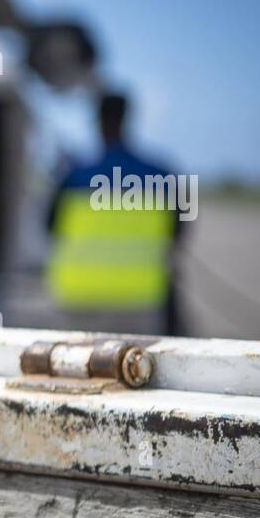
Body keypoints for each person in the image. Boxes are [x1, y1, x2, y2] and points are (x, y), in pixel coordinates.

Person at [46, 92, 188, 336]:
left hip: (80, 298)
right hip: (140, 300)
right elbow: (180, 227)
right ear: (126, 120)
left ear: (98, 122)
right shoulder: (160, 173)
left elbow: (49, 226)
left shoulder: (73, 174)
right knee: (137, 370)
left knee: (80, 369)